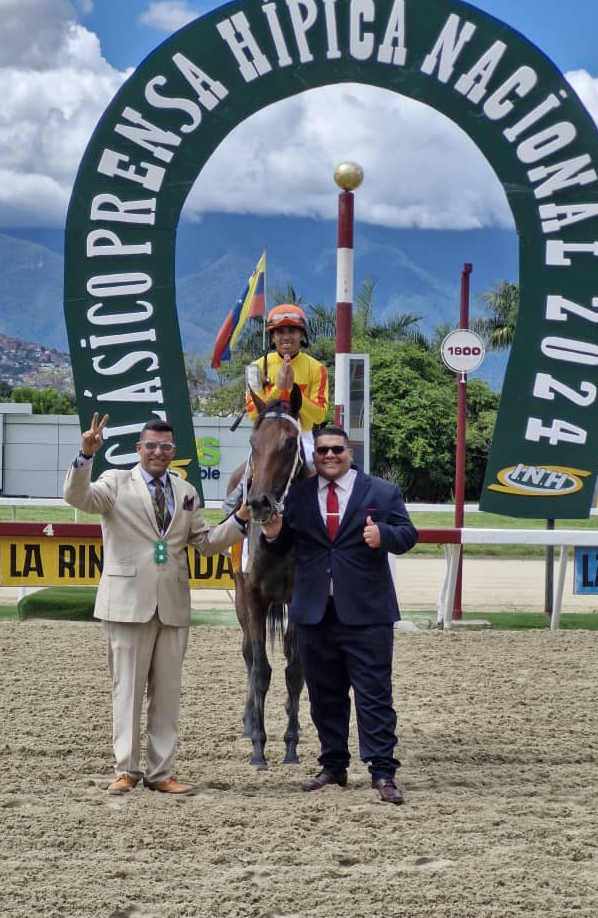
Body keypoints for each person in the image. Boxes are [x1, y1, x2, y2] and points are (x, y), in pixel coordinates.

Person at [64, 413, 249, 796]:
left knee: (167, 693)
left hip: (173, 603)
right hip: (126, 603)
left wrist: (241, 519)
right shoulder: (115, 481)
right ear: (139, 448)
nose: (158, 452)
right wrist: (85, 456)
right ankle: (126, 770)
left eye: (165, 446)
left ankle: (161, 772)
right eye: (151, 445)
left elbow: (205, 542)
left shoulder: (185, 490)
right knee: (127, 690)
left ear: (173, 451)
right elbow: (78, 498)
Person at [258, 426, 418, 805]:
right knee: (325, 697)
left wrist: (384, 535)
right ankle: (333, 766)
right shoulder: (297, 496)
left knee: (374, 695)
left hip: (367, 614)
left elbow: (408, 534)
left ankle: (382, 771)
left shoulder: (381, 491)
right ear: (314, 457)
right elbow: (283, 548)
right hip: (314, 614)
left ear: (350, 452)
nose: (329, 455)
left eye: (337, 450)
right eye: (323, 451)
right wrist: (272, 531)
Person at [223, 302, 329, 514]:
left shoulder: (317, 368)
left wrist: (292, 390)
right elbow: (254, 413)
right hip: (267, 436)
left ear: (302, 336)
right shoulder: (255, 368)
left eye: (292, 331)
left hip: (302, 435)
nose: (286, 337)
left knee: (325, 474)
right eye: (280, 332)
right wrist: (279, 387)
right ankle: (240, 530)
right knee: (239, 477)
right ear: (272, 338)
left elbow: (318, 416)